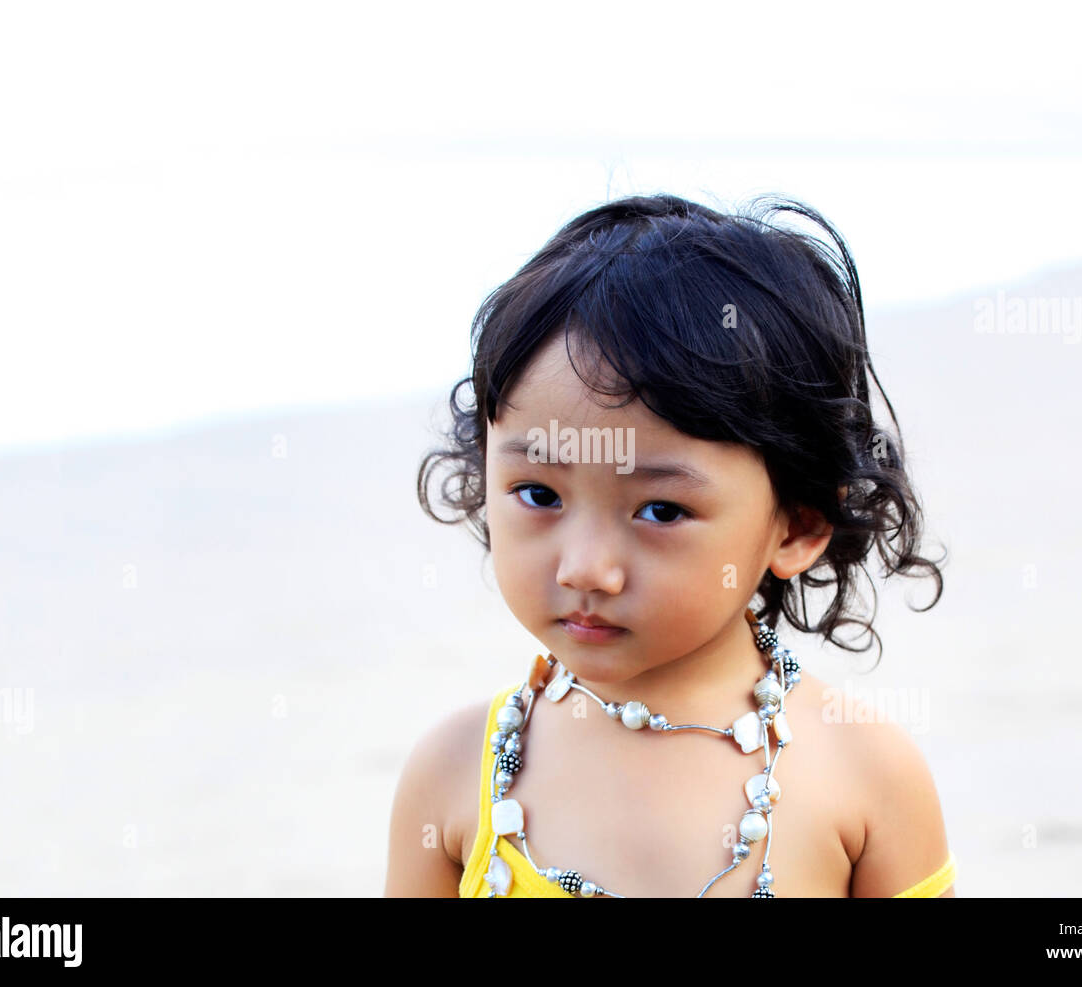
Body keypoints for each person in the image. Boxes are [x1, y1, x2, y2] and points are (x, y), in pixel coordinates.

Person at [387, 193, 955, 897]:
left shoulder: (865, 776)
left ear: (798, 526)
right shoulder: (451, 775)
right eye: (538, 494)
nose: (586, 568)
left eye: (660, 510)